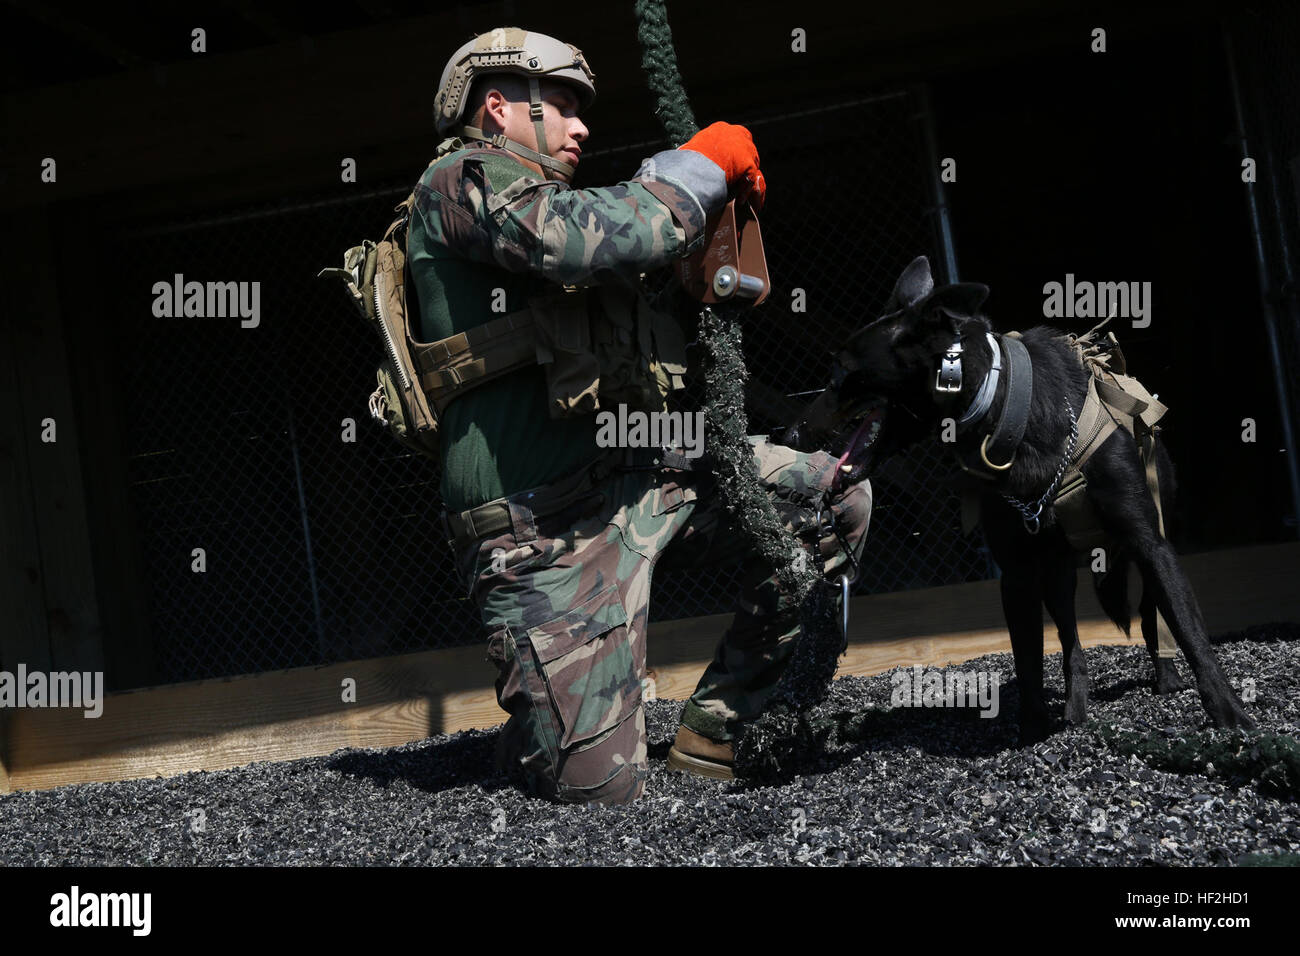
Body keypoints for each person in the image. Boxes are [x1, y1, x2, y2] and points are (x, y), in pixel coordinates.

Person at [411, 27, 871, 804]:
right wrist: (693, 175)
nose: (581, 126)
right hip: (541, 534)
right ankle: (543, 730)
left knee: (829, 496)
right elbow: (570, 238)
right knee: (599, 796)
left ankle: (720, 730)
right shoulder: (459, 184)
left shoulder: (563, 208)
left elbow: (622, 276)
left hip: (642, 481)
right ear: (497, 108)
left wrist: (700, 262)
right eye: (560, 106)